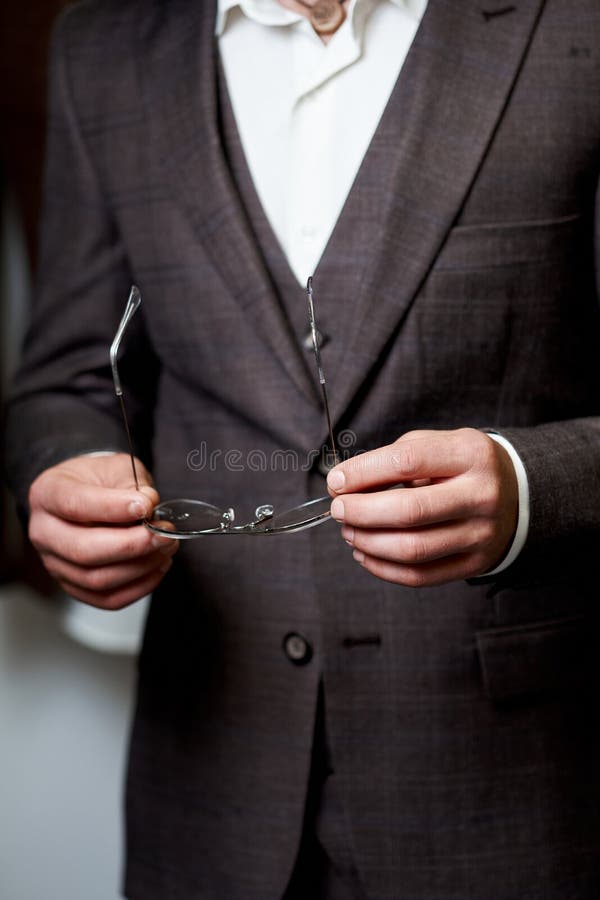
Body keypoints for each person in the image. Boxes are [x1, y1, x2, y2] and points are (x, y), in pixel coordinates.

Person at [4, 0, 600, 897]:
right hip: (208, 786)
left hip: (521, 790)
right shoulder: (106, 45)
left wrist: (530, 489)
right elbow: (69, 376)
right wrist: (64, 467)